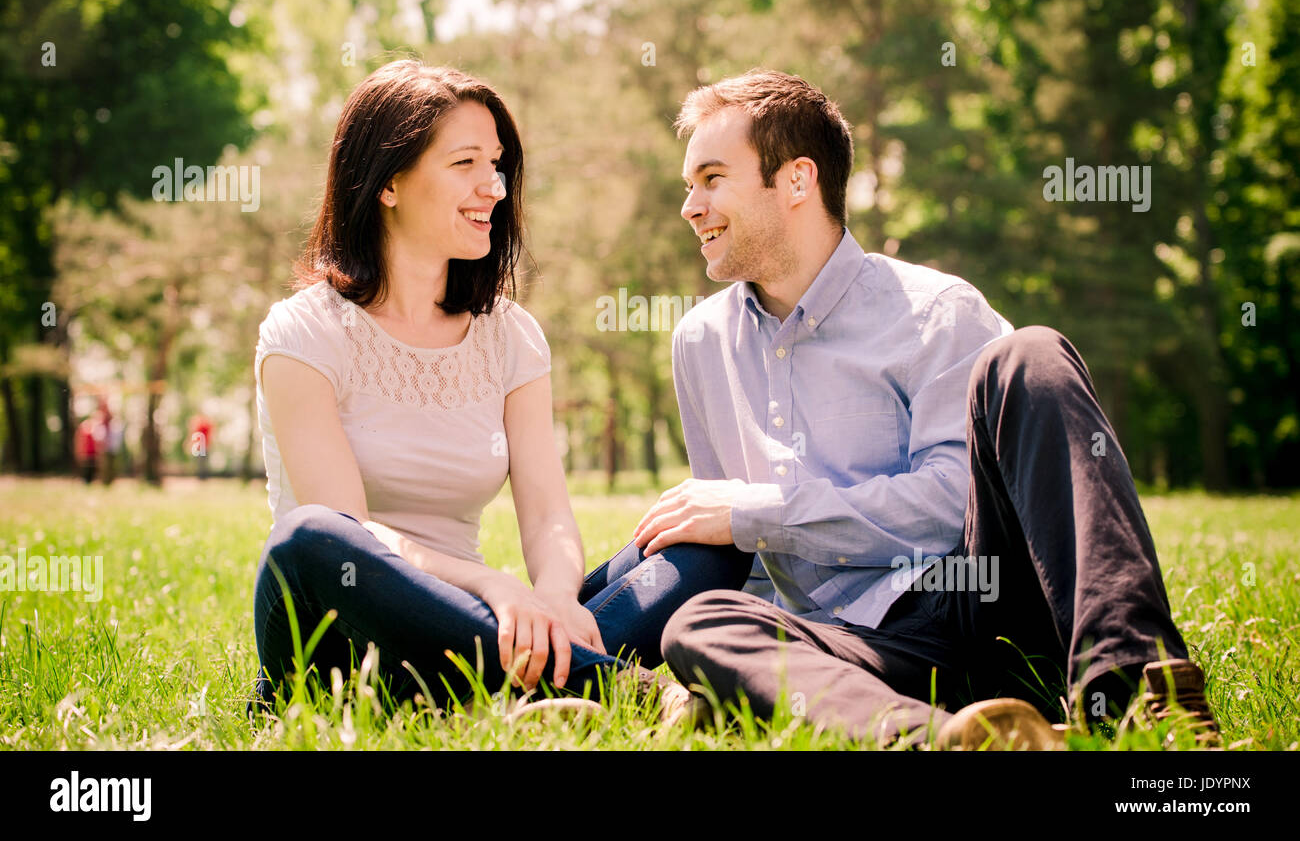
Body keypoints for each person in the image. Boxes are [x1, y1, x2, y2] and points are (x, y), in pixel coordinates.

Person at [638, 68, 1218, 748]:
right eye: (688, 185)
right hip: (857, 651)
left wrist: (755, 512)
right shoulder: (700, 343)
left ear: (796, 180)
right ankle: (954, 740)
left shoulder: (938, 312)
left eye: (711, 178)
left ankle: (1136, 689)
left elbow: (948, 504)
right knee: (704, 623)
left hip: (982, 607)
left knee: (1030, 355)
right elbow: (744, 559)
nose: (690, 206)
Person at [248, 61, 752, 720]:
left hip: (485, 629)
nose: (493, 185)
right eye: (466, 163)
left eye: (497, 163)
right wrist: (494, 585)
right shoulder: (304, 333)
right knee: (311, 538)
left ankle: (529, 680)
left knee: (711, 534)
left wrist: (554, 597)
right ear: (389, 181)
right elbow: (354, 529)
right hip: (352, 641)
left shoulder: (510, 335)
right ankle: (617, 691)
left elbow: (546, 514)